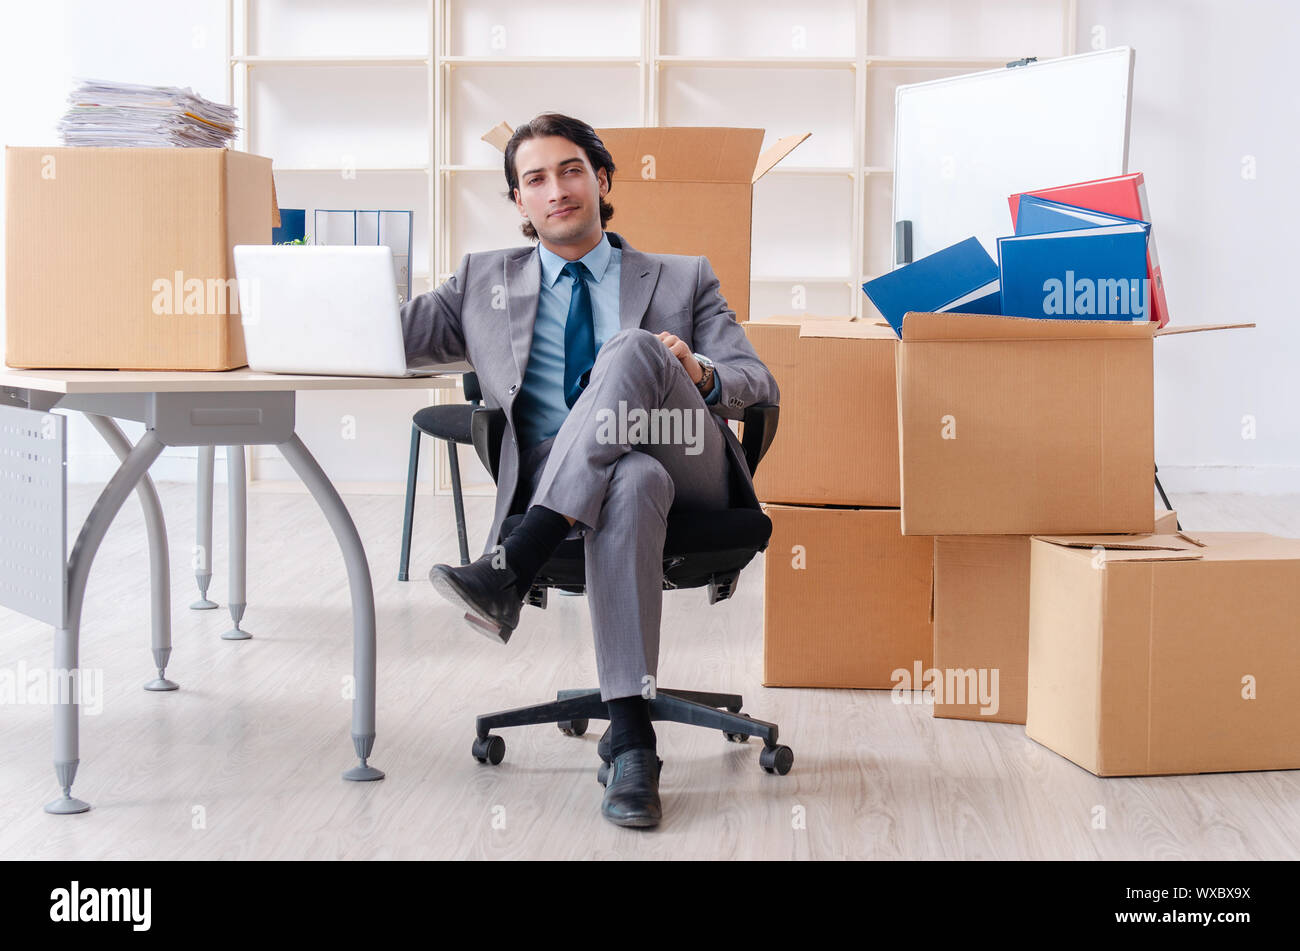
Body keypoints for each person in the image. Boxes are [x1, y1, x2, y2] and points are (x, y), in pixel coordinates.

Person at [399, 112, 780, 829]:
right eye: (534, 178)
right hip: (603, 480)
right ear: (518, 201)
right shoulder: (482, 282)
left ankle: (516, 560)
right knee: (630, 479)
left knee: (637, 349)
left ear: (601, 181)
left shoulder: (681, 277)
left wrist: (696, 371)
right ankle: (633, 741)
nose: (556, 189)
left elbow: (758, 383)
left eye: (571, 170)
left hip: (686, 456)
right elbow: (390, 336)